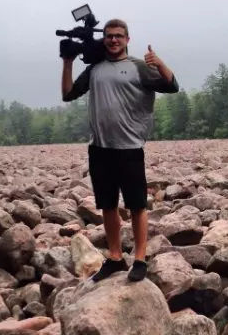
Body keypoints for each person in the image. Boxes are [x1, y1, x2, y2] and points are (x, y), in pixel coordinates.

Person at [61, 18, 179, 282]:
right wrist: (67, 61)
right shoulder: (95, 69)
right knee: (108, 205)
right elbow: (68, 94)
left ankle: (139, 259)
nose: (113, 40)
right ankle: (114, 257)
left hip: (130, 147)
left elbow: (172, 86)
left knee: (137, 205)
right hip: (100, 148)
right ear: (104, 39)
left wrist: (158, 62)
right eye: (109, 36)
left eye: (118, 36)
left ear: (127, 39)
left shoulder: (138, 67)